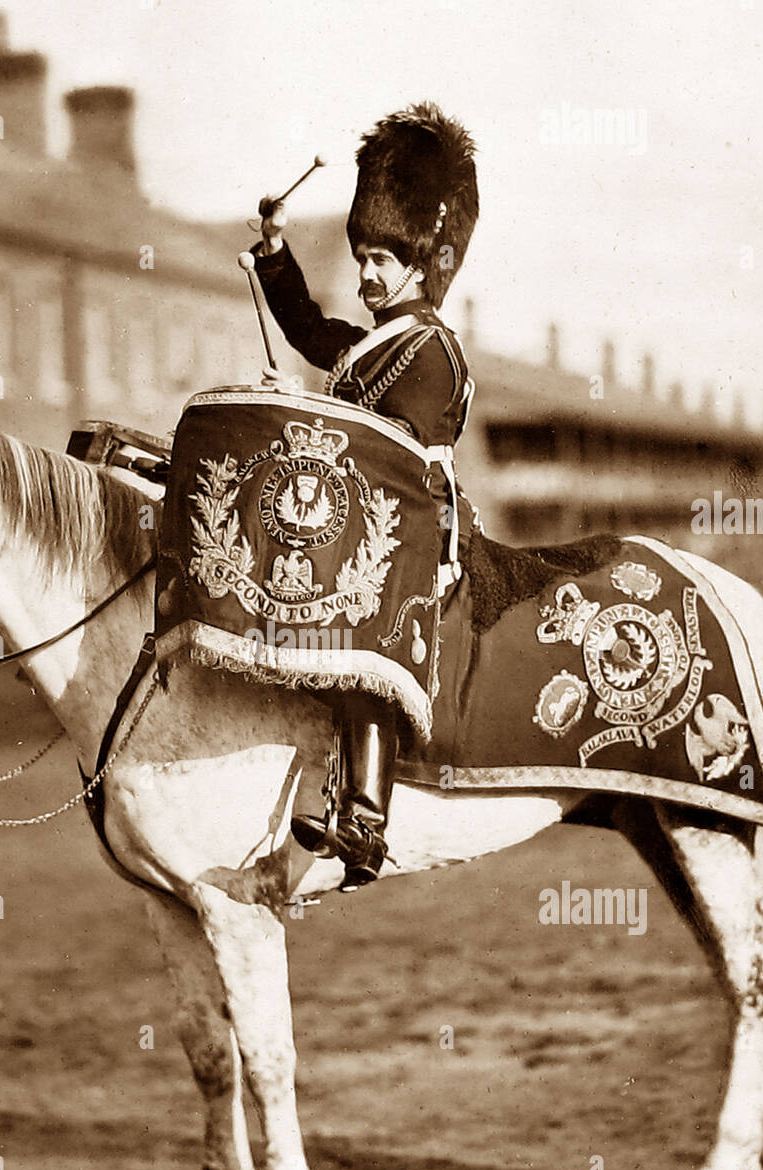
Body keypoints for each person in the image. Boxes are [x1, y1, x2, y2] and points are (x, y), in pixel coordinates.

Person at [251, 102, 479, 890]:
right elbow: (312, 330)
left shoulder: (432, 350)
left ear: (424, 264)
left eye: (384, 259)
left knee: (365, 629)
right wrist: (276, 255)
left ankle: (366, 820)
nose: (368, 274)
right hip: (374, 519)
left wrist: (307, 407)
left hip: (420, 523)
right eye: (363, 256)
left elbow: (389, 453)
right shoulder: (368, 342)